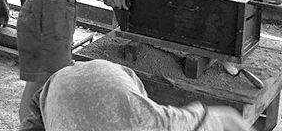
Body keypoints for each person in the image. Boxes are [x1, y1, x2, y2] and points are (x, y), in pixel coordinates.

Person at [20, 59, 252, 131]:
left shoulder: (151, 120)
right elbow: (226, 118)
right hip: (64, 86)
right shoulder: (151, 123)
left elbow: (224, 118)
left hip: (63, 84)